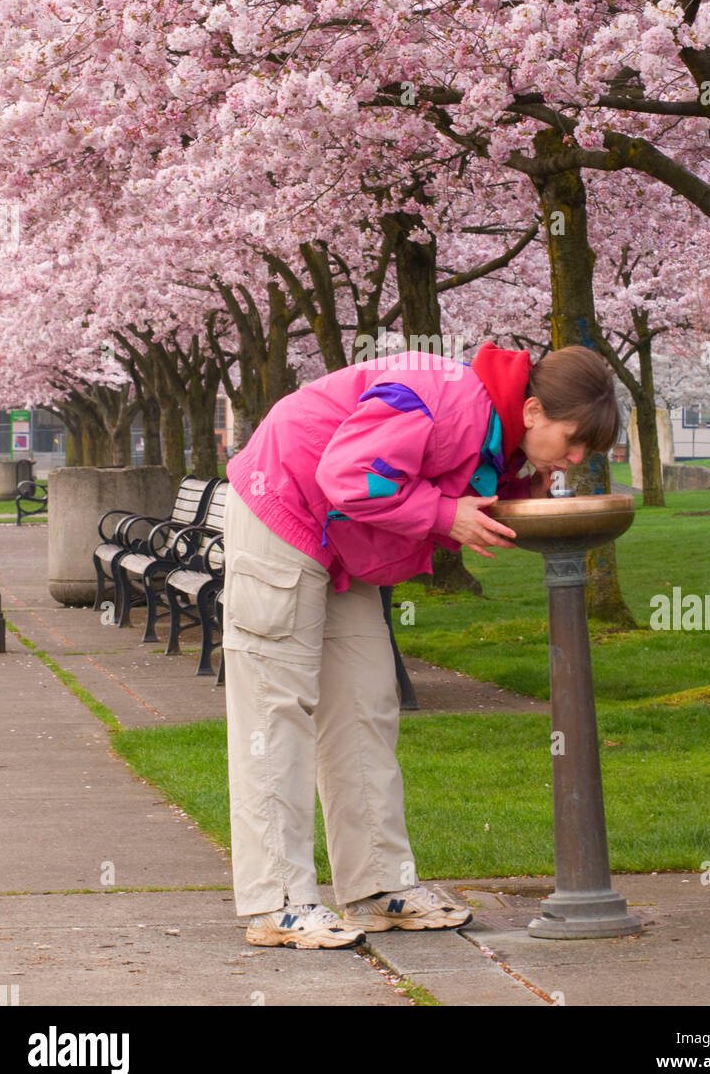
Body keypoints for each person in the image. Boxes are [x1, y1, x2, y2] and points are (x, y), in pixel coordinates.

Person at [222, 340, 621, 948]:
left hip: (339, 541)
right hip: (284, 509)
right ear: (534, 410)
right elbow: (349, 474)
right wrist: (444, 517)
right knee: (277, 709)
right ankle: (278, 901)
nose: (572, 459)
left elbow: (444, 486)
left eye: (584, 453)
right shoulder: (446, 400)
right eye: (571, 443)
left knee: (366, 706)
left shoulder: (496, 432)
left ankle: (379, 886)